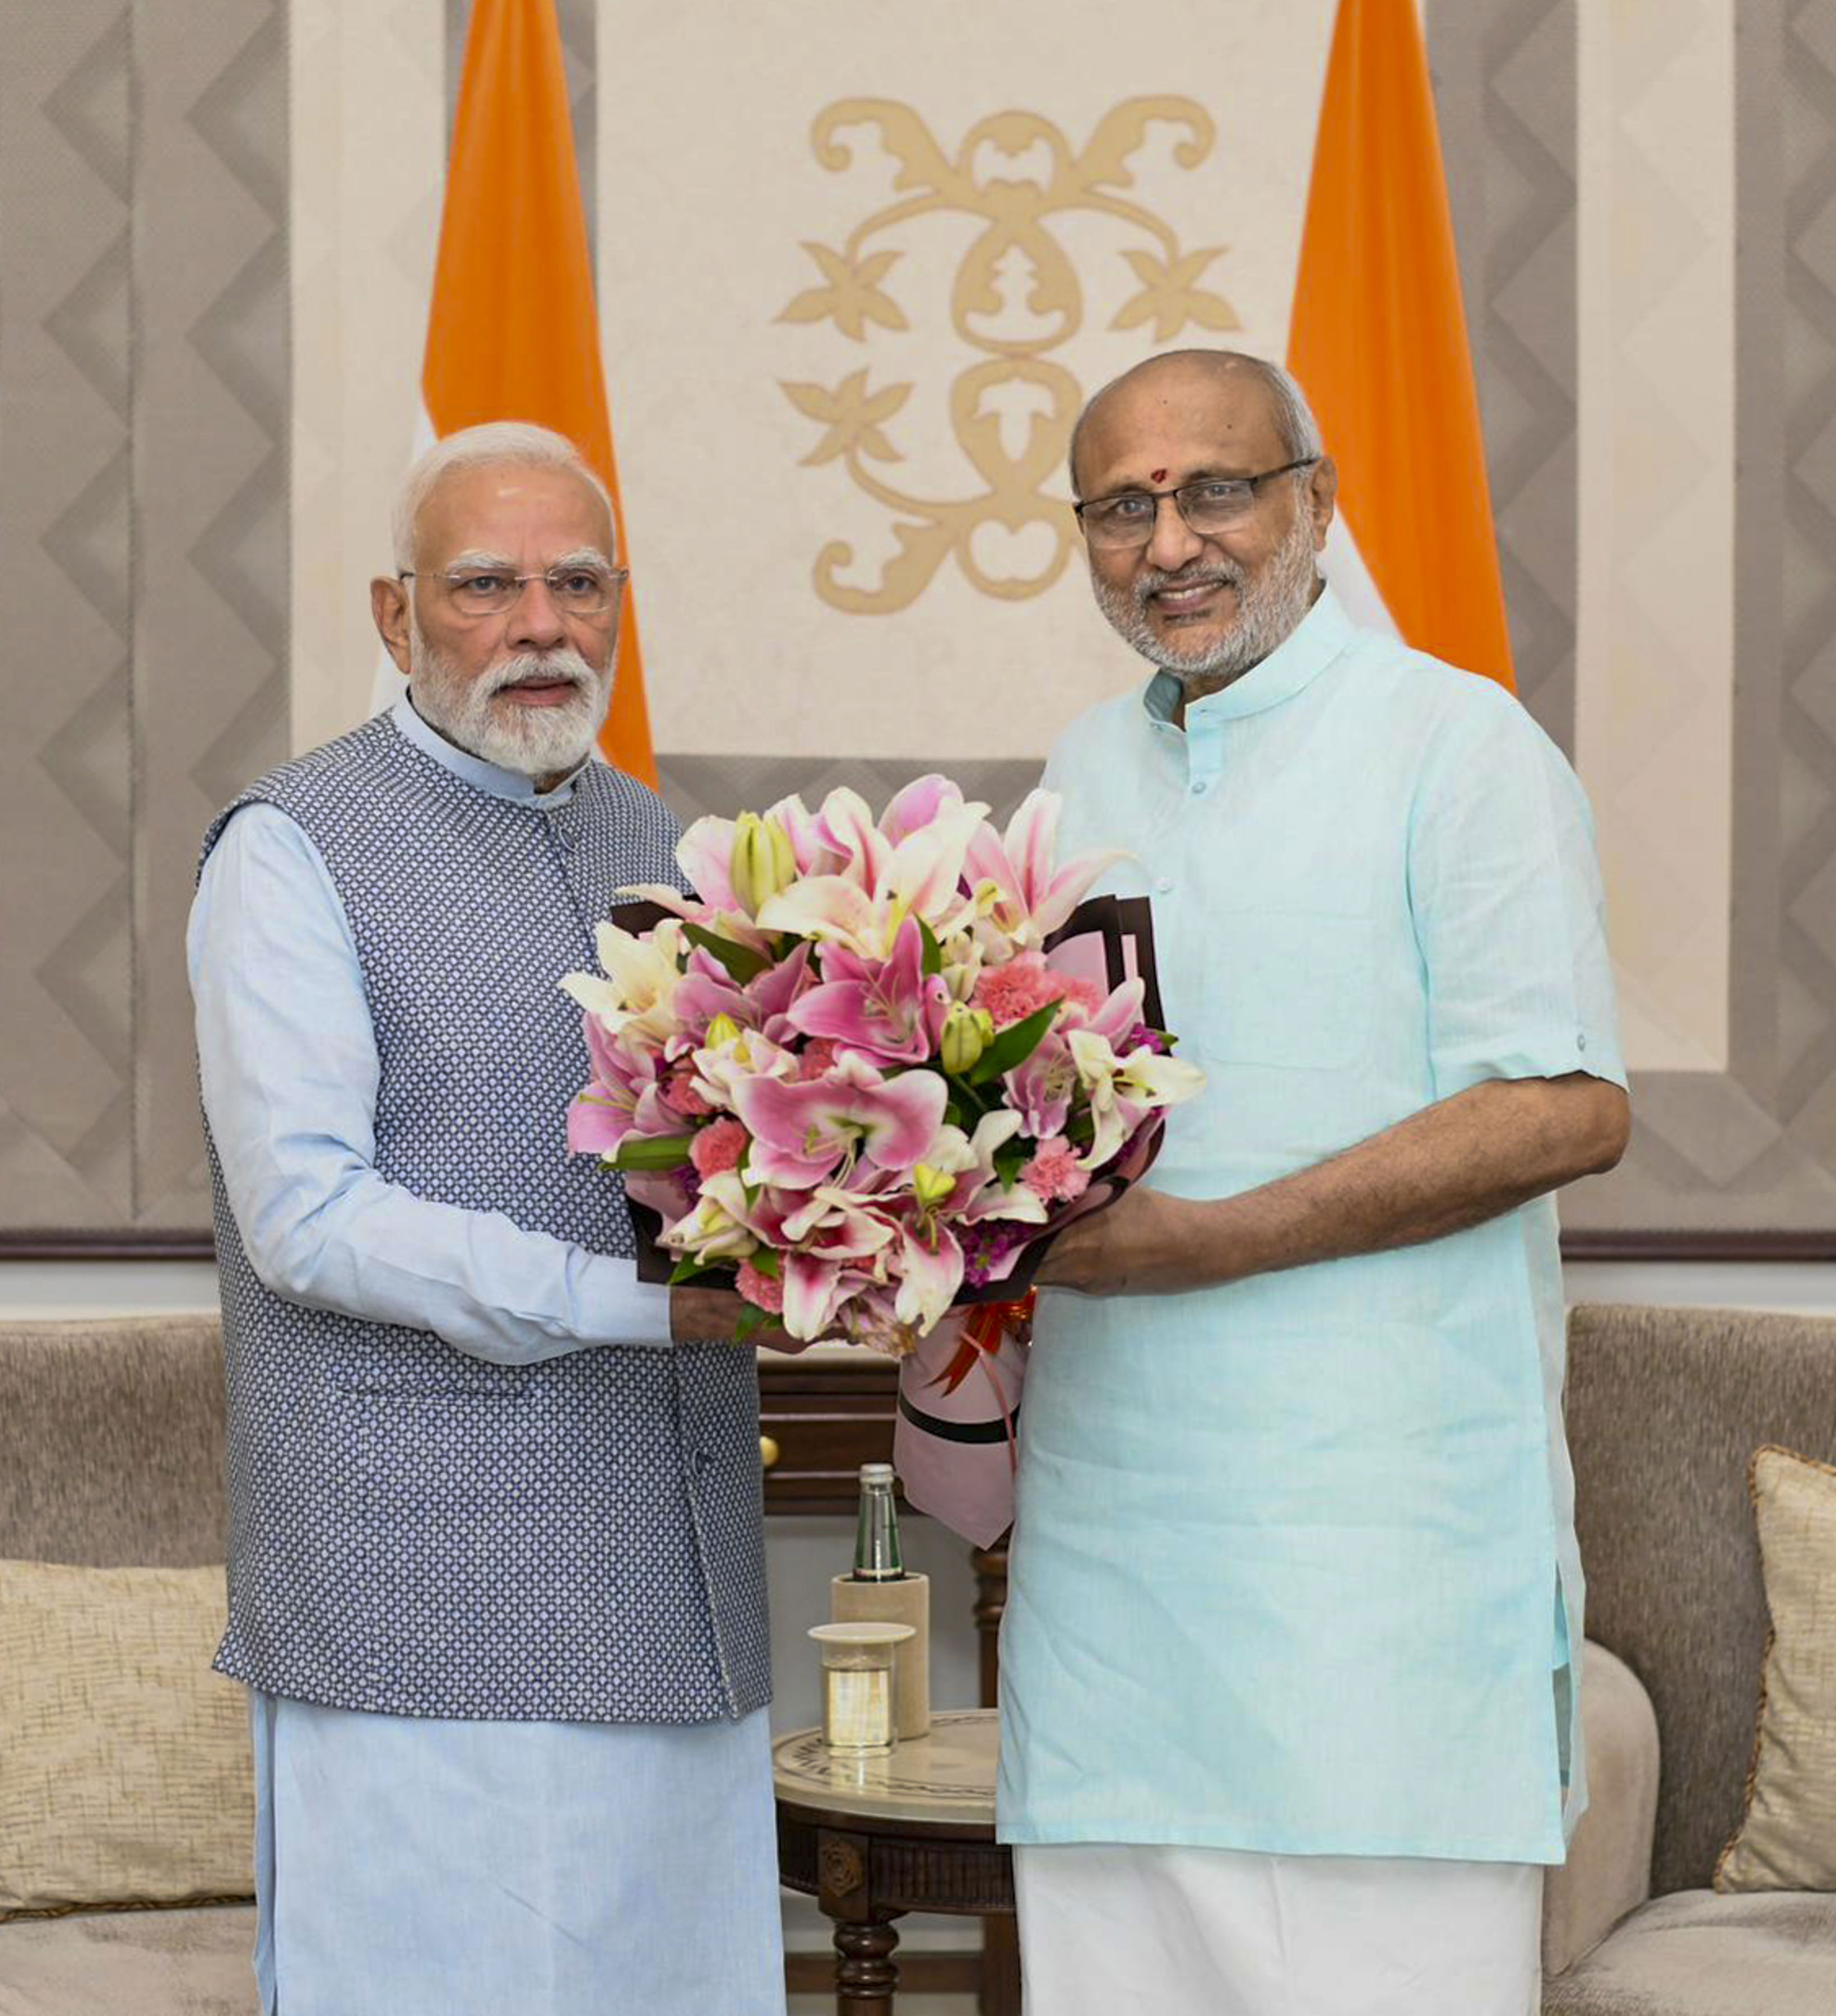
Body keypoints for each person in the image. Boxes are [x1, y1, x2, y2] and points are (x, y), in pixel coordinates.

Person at [1005, 350, 1631, 2016]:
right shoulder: (1076, 772)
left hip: (1374, 1597)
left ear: (1318, 504)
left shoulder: (1455, 742)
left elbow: (1567, 1107)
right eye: (1121, 506)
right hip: (1116, 1590)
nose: (1170, 542)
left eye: (1216, 489)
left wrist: (1217, 1245)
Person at [188, 421, 785, 2016]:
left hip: (683, 1593)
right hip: (416, 1602)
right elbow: (305, 1217)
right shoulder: (292, 849)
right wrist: (647, 1309)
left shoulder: (678, 851)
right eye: (486, 585)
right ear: (396, 618)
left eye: (578, 583)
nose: (541, 624)